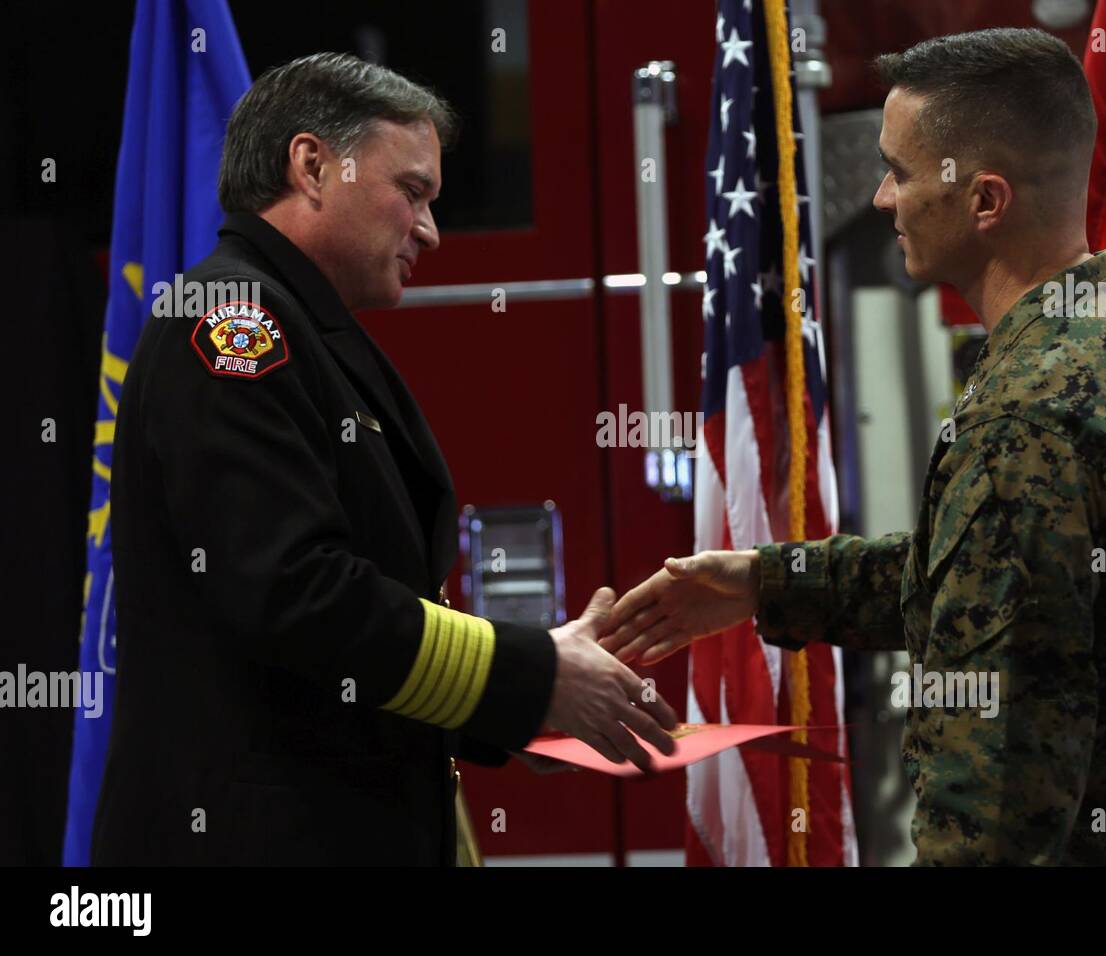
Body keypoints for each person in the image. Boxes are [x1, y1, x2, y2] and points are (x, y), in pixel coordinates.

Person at [602, 28, 1106, 865]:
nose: (885, 199)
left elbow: (993, 791)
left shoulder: (1026, 412)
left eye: (901, 172)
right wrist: (769, 581)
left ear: (984, 201)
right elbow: (1006, 580)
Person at [94, 52, 675, 866]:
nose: (431, 231)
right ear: (312, 165)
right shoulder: (232, 326)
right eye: (413, 193)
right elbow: (296, 594)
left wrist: (527, 694)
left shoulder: (299, 326)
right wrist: (528, 672)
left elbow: (347, 625)